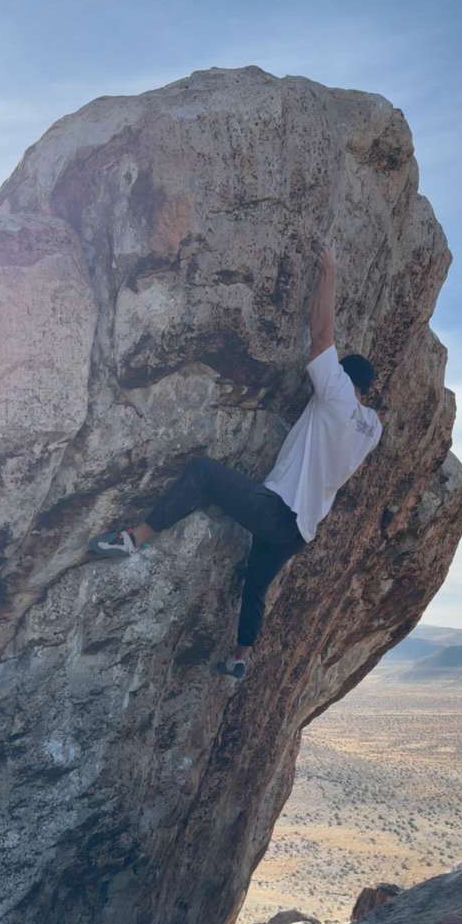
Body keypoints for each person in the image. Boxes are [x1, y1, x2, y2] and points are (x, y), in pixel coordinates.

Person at [89, 247, 383, 679]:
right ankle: (241, 657)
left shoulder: (336, 395)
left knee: (203, 473)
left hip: (278, 511)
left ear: (343, 378)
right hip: (300, 531)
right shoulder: (371, 427)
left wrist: (329, 273)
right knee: (256, 583)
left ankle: (136, 537)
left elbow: (321, 336)